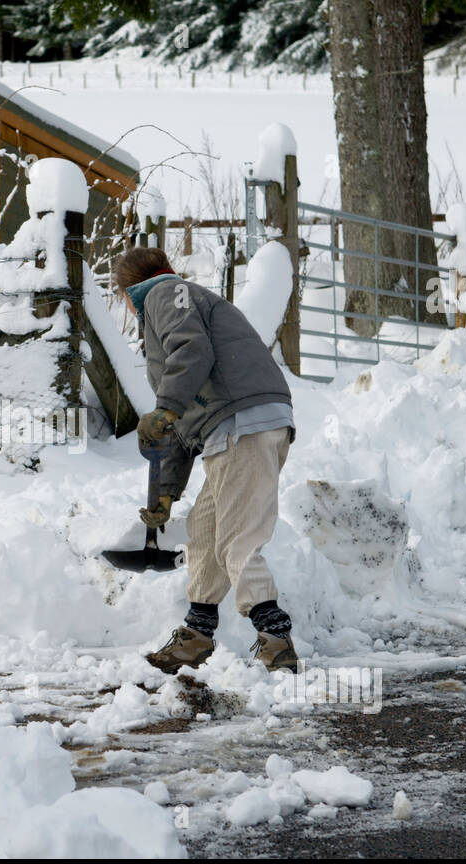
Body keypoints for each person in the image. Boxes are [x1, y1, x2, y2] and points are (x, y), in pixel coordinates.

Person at [113, 245, 298, 674]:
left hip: (243, 422)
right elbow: (180, 427)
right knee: (204, 528)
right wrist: (166, 495)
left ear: (128, 292)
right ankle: (196, 635)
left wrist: (166, 407)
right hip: (237, 424)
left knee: (238, 539)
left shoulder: (165, 294)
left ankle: (277, 640)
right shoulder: (178, 304)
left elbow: (192, 353)